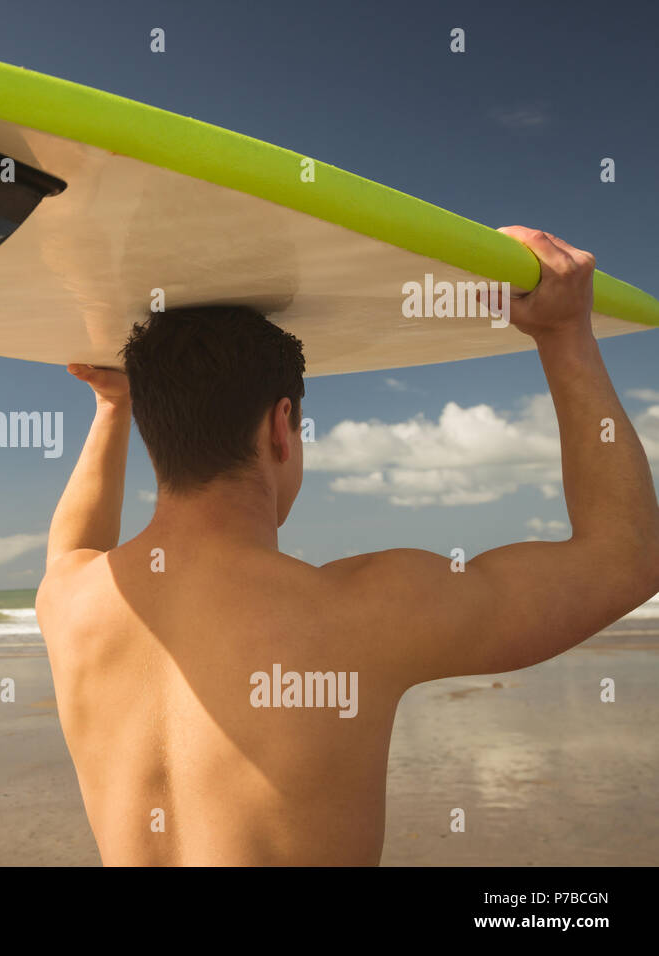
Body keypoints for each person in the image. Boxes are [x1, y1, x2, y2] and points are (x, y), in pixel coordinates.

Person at [35, 226, 659, 865]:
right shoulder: (362, 613)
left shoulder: (71, 602)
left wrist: (111, 408)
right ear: (283, 428)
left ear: (155, 433)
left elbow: (73, 542)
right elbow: (626, 556)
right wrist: (566, 336)